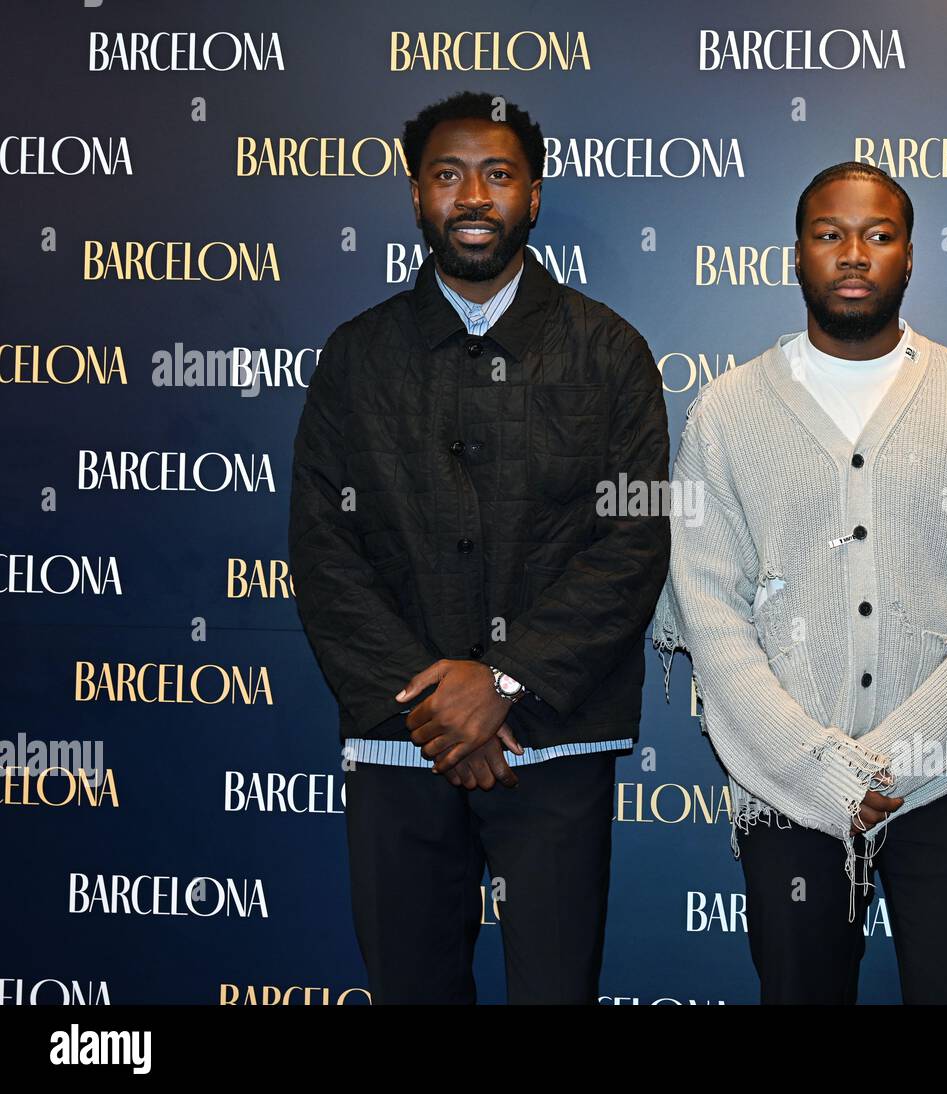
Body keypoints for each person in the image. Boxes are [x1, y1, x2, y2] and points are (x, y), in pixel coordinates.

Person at [652, 161, 947, 1005]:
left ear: (910, 256)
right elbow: (709, 607)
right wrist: (817, 770)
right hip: (787, 786)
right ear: (796, 256)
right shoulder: (728, 410)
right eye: (830, 235)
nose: (854, 254)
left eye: (878, 236)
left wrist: (895, 761)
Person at [289, 91, 670, 1004]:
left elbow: (634, 540)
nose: (472, 196)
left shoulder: (610, 351)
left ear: (532, 198)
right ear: (415, 195)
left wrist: (499, 684)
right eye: (448, 174)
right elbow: (322, 549)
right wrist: (434, 702)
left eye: (497, 175)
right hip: (400, 740)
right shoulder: (356, 355)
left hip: (552, 736)